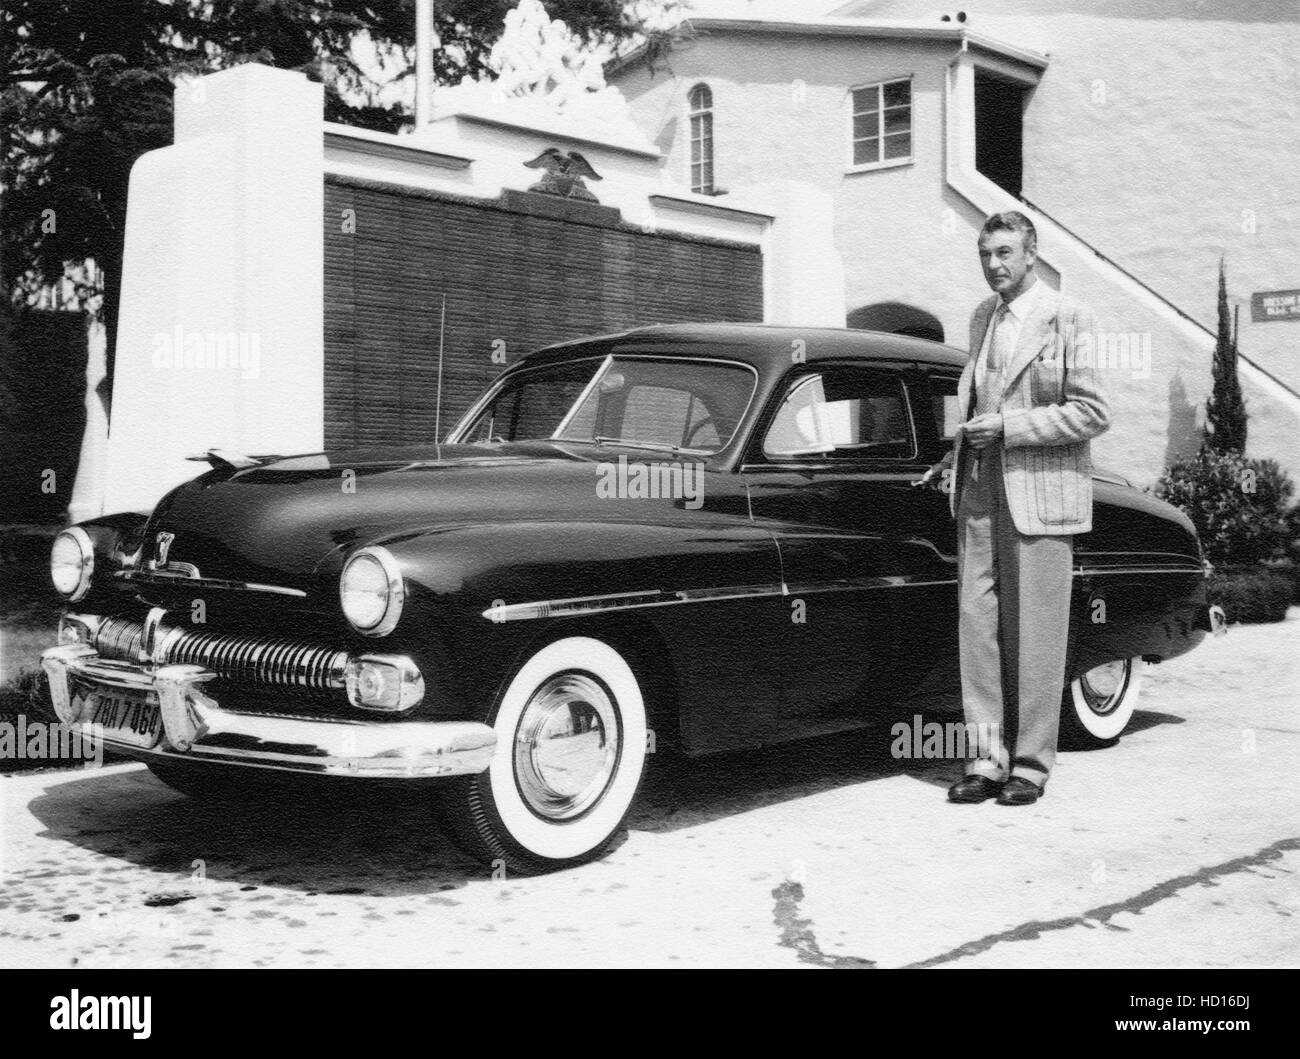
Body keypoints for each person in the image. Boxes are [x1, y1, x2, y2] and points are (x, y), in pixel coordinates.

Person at [918, 211, 1110, 806]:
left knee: (1036, 633)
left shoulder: (1069, 316)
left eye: (1005, 253)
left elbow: (1092, 413)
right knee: (978, 627)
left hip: (1041, 497)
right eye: (986, 255)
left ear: (1032, 254)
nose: (994, 265)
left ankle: (1029, 766)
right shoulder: (982, 318)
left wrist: (1009, 427)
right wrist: (954, 458)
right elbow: (980, 399)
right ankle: (984, 759)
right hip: (978, 491)